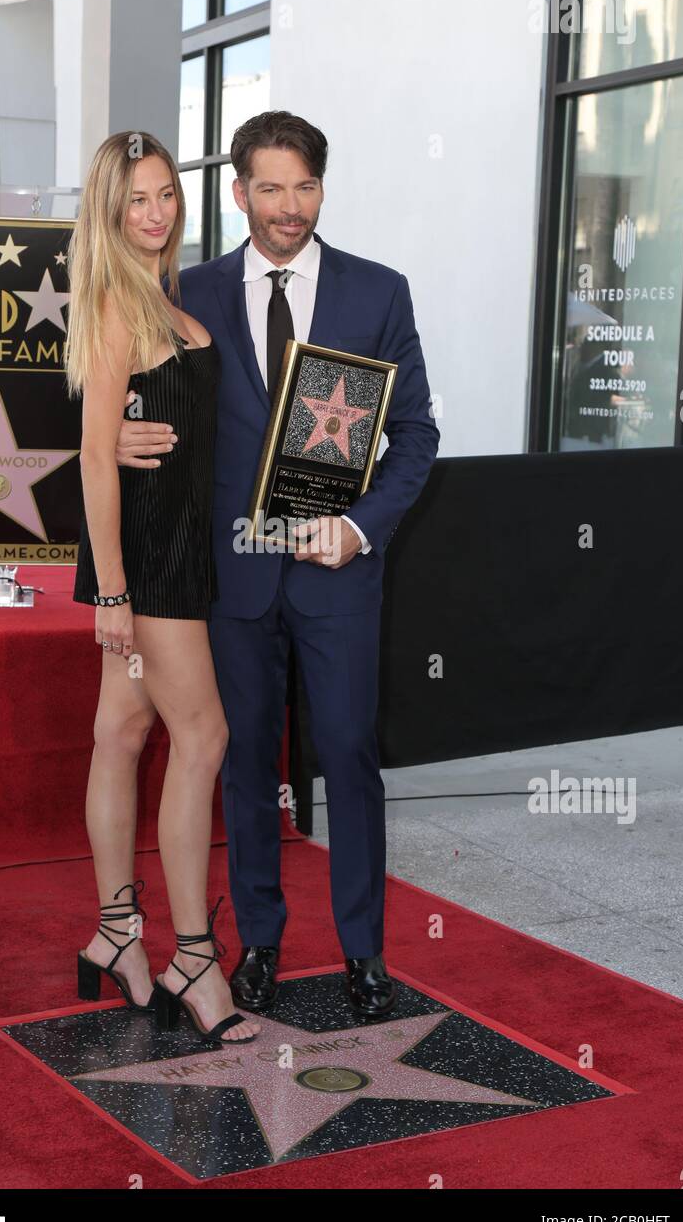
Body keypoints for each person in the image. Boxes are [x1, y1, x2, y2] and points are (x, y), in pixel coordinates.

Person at [114, 111, 440, 1017]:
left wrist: (361, 526)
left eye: (305, 187)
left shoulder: (379, 292)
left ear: (322, 189)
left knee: (347, 752)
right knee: (247, 761)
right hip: (232, 575)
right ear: (238, 192)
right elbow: (131, 389)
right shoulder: (192, 289)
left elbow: (416, 432)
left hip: (338, 570)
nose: (288, 207)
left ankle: (365, 953)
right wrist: (112, 434)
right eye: (269, 187)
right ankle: (256, 942)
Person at [64, 129, 261, 1044]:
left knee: (123, 731)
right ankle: (191, 953)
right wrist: (111, 593)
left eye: (167, 194)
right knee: (204, 732)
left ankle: (114, 936)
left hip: (173, 546)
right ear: (109, 211)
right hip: (147, 559)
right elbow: (94, 459)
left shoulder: (166, 297)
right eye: (137, 199)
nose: (155, 213)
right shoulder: (113, 302)